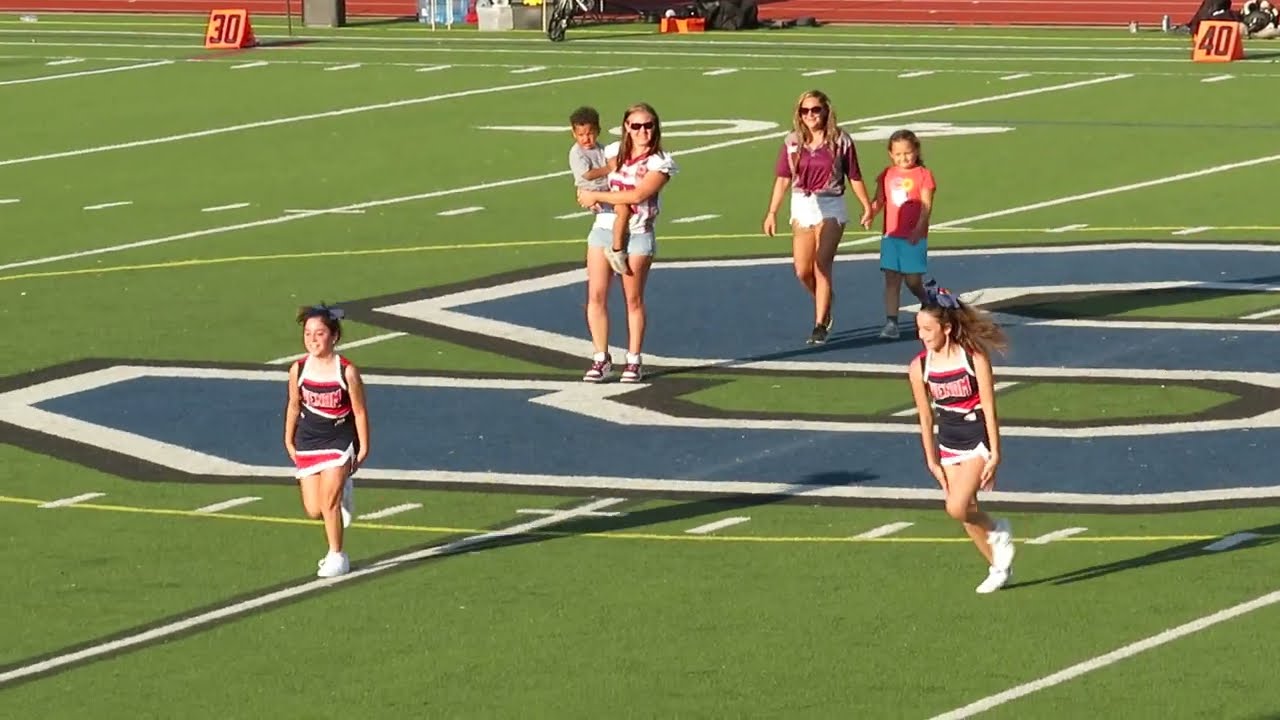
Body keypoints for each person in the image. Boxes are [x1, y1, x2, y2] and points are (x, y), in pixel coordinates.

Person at [906, 282, 1016, 594]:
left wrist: (996, 453)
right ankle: (998, 567)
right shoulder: (919, 366)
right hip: (948, 441)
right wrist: (931, 460)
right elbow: (925, 417)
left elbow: (990, 407)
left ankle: (997, 530)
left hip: (976, 436)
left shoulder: (974, 358)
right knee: (966, 513)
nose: (923, 336)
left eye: (928, 329)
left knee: (956, 507)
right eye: (919, 329)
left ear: (947, 328)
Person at [576, 102, 678, 383]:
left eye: (648, 125)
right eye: (636, 126)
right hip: (603, 228)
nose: (643, 131)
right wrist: (585, 194)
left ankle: (633, 359)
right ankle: (600, 357)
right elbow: (589, 177)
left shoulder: (659, 162)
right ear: (626, 127)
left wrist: (597, 197)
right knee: (596, 296)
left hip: (638, 232)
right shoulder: (612, 152)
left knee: (633, 299)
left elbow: (637, 195)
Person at [762, 89, 873, 345]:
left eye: (815, 110)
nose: (810, 115)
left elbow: (854, 175)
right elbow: (782, 178)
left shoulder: (841, 141)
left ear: (826, 111)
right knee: (803, 270)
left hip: (831, 203)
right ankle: (825, 300)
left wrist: (866, 205)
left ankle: (820, 323)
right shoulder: (792, 141)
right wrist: (772, 212)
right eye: (805, 111)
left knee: (822, 263)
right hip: (802, 204)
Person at [283, 304, 370, 578]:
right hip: (308, 441)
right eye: (308, 333)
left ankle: (337, 556)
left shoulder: (346, 371)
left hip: (338, 440)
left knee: (328, 503)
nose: (313, 339)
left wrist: (363, 447)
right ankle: (343, 490)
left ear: (334, 336)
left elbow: (359, 411)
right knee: (314, 509)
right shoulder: (298, 369)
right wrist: (288, 440)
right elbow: (294, 406)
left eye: (319, 333)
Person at [870, 129, 935, 340]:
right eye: (898, 154)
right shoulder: (887, 175)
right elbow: (879, 200)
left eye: (907, 153)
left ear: (916, 150)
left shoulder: (923, 175)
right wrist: (870, 213)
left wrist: (919, 228)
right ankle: (892, 322)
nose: (903, 158)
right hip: (891, 236)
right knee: (892, 279)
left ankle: (927, 299)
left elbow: (926, 206)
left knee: (913, 280)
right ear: (890, 154)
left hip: (914, 237)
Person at [568, 105, 631, 276]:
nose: (586, 139)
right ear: (574, 134)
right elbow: (587, 175)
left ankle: (619, 245)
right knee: (622, 210)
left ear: (598, 131)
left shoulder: (601, 149)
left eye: (589, 134)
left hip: (606, 189)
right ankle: (617, 249)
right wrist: (609, 168)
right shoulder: (577, 153)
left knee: (625, 211)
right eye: (581, 135)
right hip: (593, 191)